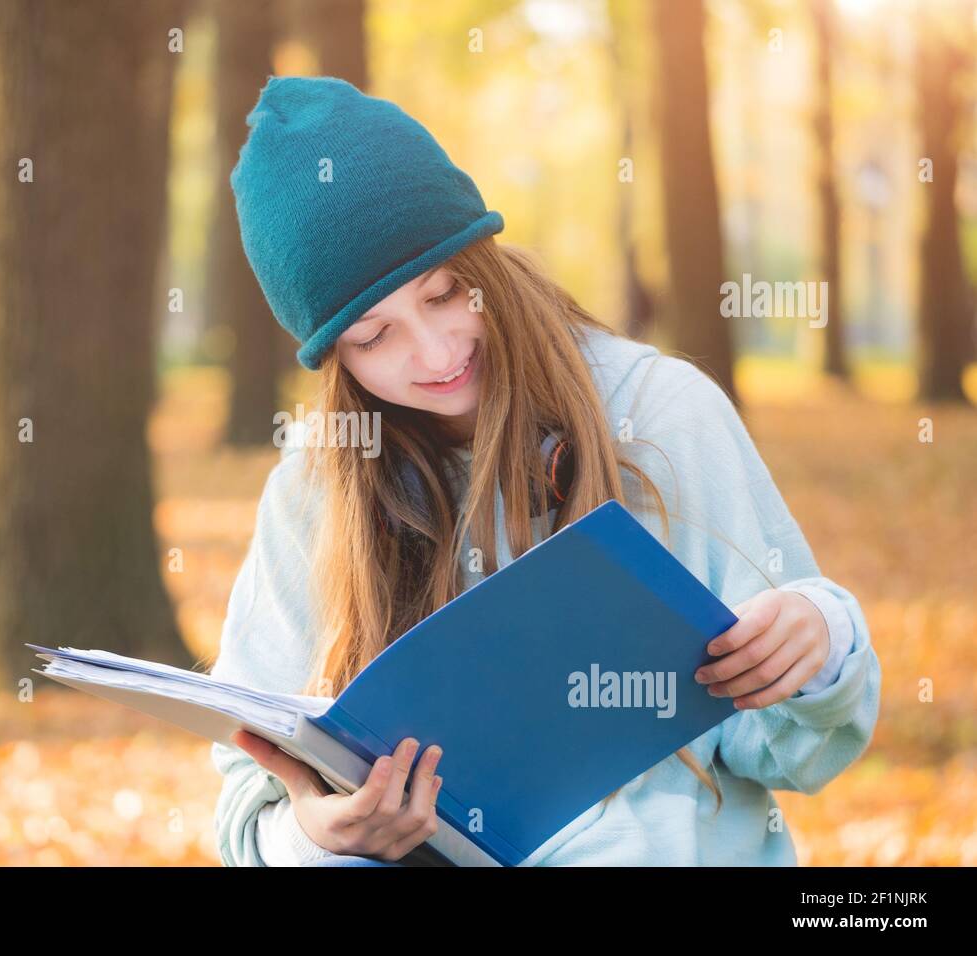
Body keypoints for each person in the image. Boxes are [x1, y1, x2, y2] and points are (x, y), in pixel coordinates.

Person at [208, 76, 880, 867]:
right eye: (372, 336)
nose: (435, 353)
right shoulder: (315, 485)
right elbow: (246, 800)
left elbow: (793, 753)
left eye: (446, 293)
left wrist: (822, 645)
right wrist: (315, 839)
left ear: (482, 262)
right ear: (334, 360)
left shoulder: (659, 412)